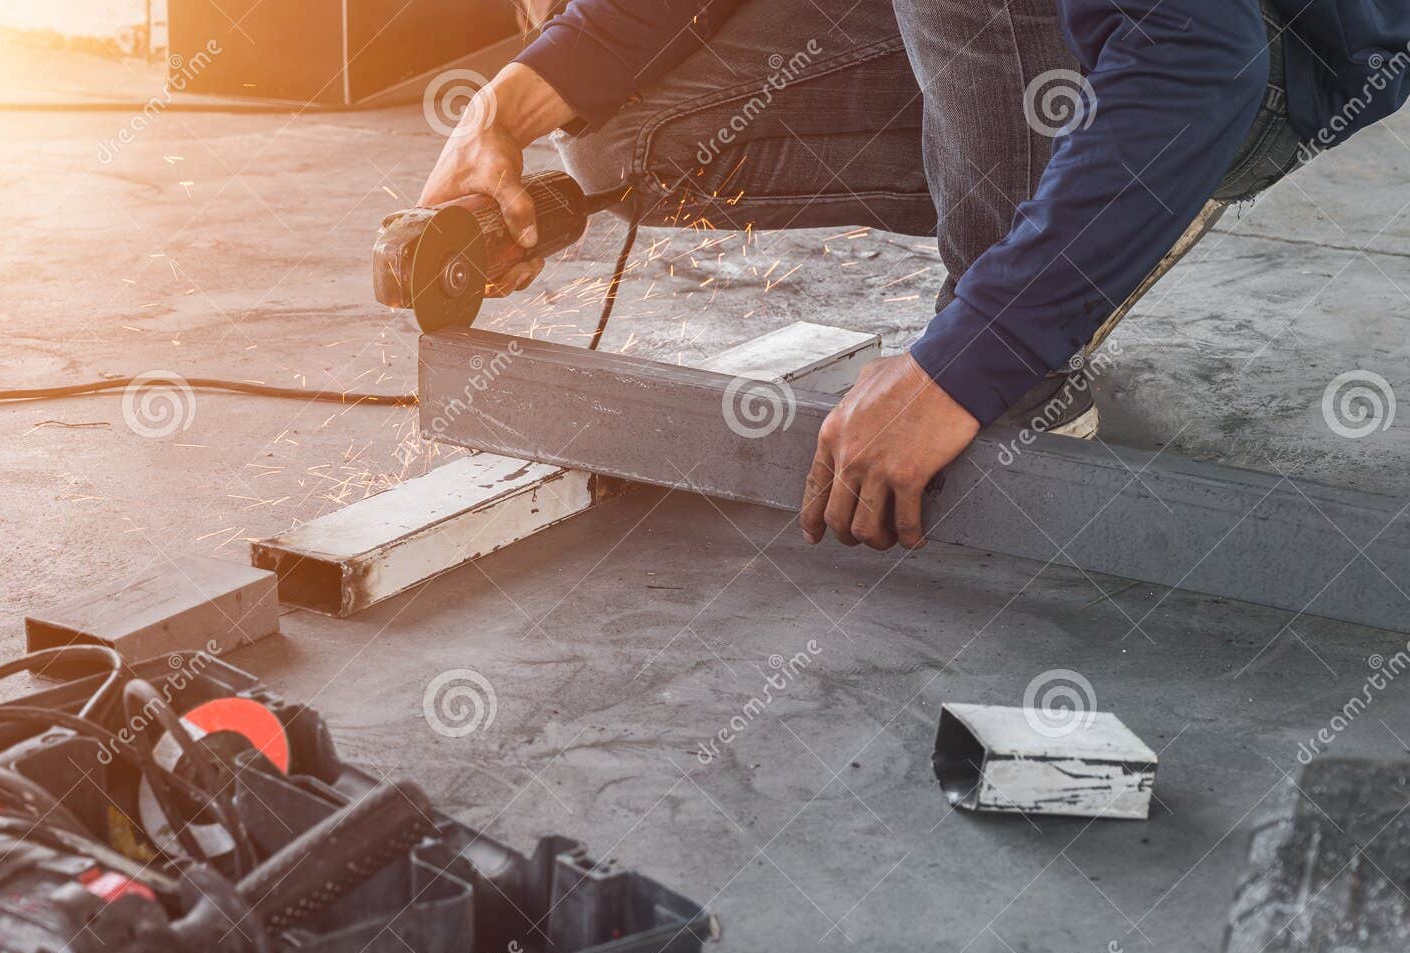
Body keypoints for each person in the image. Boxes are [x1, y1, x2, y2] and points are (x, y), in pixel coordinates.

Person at [420, 0, 1410, 550]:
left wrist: (976, 356)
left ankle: (1029, 354)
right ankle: (1085, 194)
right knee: (635, 136)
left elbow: (1197, 50)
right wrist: (507, 110)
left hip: (1273, 64)